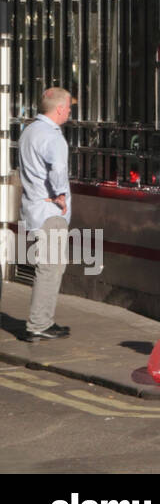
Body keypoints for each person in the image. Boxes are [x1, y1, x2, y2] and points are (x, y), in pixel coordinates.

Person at [17, 88, 75, 343]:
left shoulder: (29, 131)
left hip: (33, 207)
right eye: (69, 108)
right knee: (50, 268)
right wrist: (61, 193)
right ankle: (40, 324)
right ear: (60, 108)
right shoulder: (52, 137)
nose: (70, 112)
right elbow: (58, 168)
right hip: (50, 211)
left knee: (50, 266)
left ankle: (43, 321)